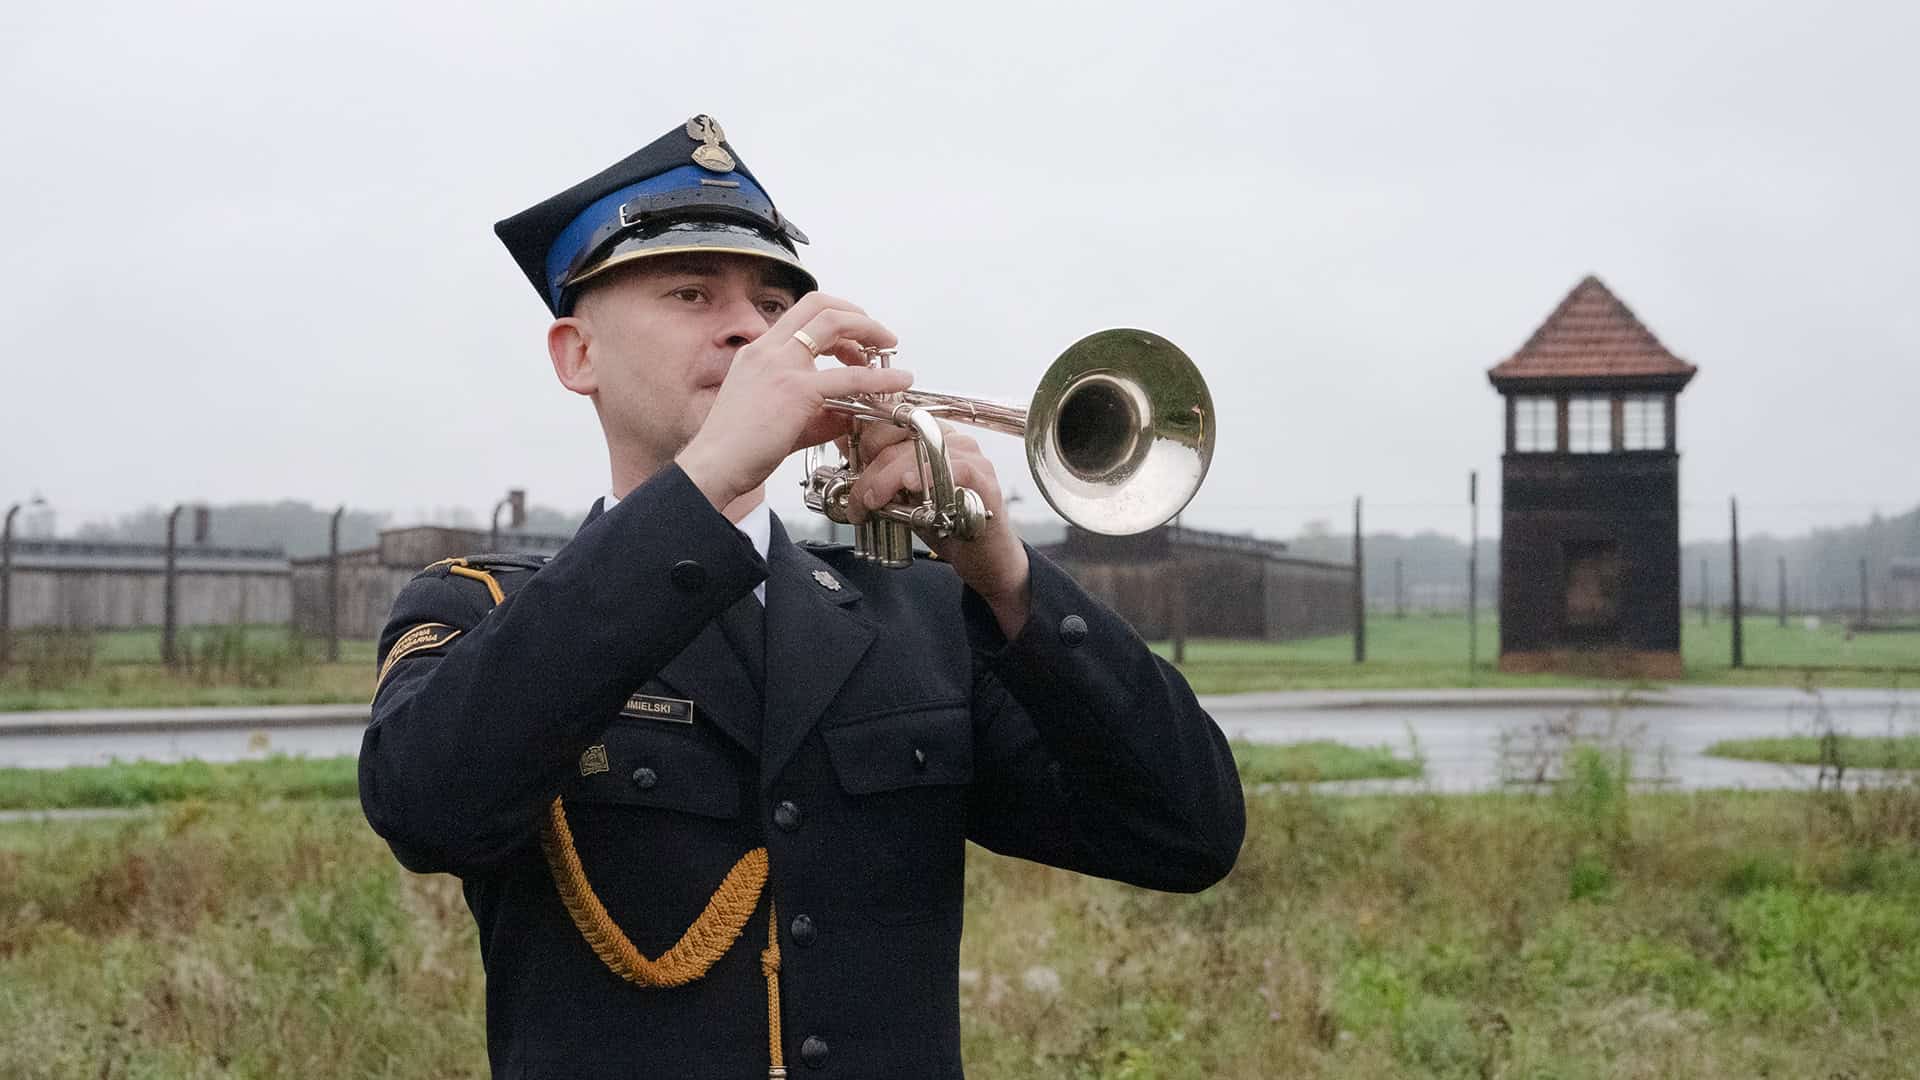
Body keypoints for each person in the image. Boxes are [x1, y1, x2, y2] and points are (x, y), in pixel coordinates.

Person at [358, 114, 1245, 1080]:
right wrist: (700, 486)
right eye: (691, 293)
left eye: (776, 306)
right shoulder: (477, 608)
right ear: (577, 357)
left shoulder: (917, 620)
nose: (748, 326)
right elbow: (428, 810)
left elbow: (1187, 834)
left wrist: (1008, 579)